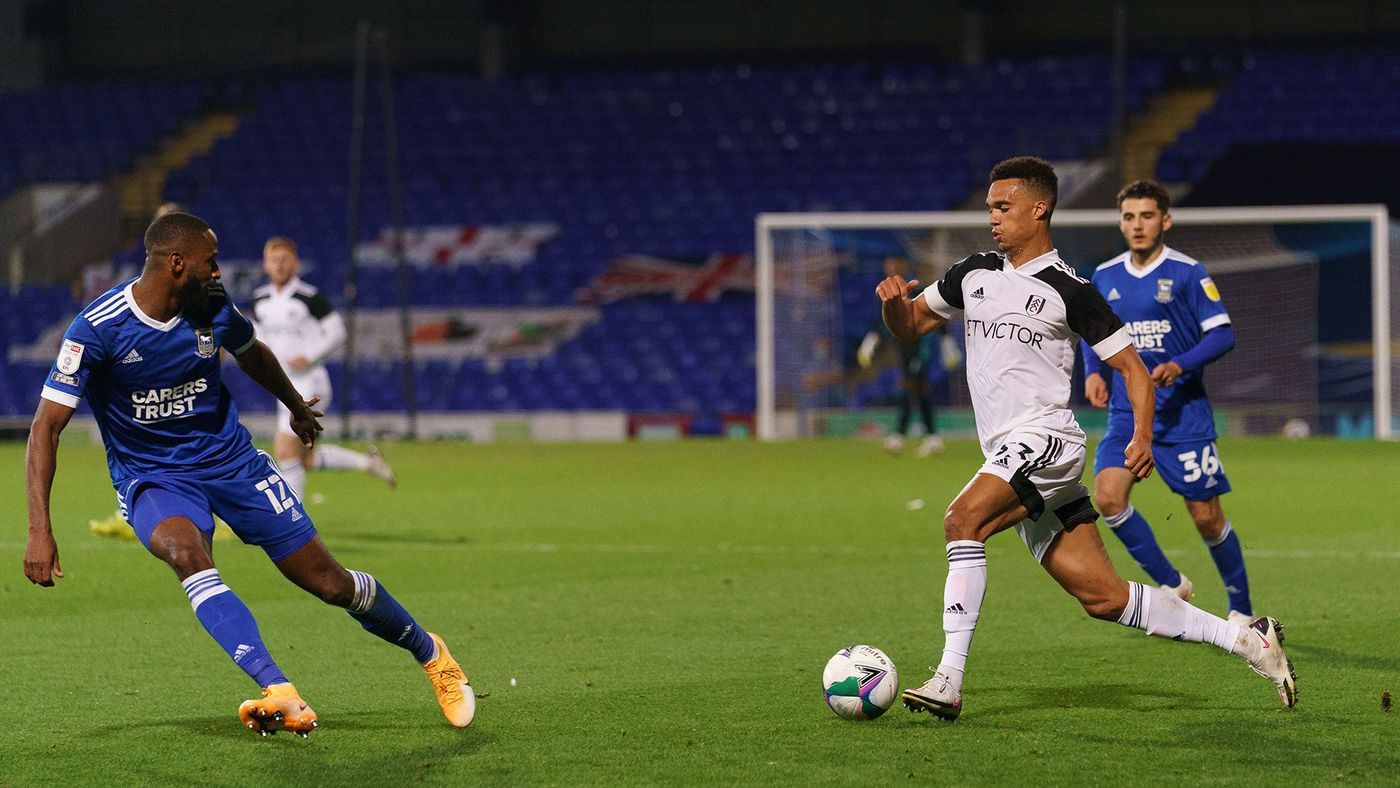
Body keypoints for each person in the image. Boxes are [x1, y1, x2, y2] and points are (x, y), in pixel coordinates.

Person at [876, 157, 1295, 721]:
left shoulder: (1072, 289)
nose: (993, 219)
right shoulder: (970, 273)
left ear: (1038, 208)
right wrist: (892, 307)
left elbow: (1134, 370)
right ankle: (1250, 642)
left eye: (1003, 207)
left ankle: (949, 678)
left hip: (1045, 441)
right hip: (1007, 453)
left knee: (961, 521)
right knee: (1103, 597)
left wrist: (1141, 435)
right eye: (990, 208)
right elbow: (911, 325)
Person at [24, 212, 474, 736]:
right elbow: (45, 429)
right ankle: (277, 687)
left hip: (232, 463)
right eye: (210, 262)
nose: (218, 273)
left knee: (328, 583)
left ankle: (430, 651)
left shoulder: (210, 307)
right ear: (176, 264)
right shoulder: (96, 330)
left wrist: (296, 407)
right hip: (154, 476)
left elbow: (252, 352)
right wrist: (40, 528)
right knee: (185, 552)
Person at [1083, 180, 1253, 624]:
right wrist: (1094, 373)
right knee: (1108, 496)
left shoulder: (1188, 272)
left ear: (1165, 220)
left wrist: (1180, 365)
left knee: (1206, 519)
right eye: (1129, 217)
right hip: (1127, 413)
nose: (1137, 225)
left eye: (1146, 216)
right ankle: (1171, 581)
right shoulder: (1105, 276)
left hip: (1183, 418)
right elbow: (1093, 331)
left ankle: (1242, 610)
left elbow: (1223, 334)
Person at [251, 236, 395, 501]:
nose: (279, 265)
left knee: (284, 450)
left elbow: (338, 331)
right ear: (266, 264)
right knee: (307, 458)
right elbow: (258, 335)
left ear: (295, 264)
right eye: (274, 260)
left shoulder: (309, 297)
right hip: (282, 383)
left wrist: (310, 356)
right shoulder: (259, 299)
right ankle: (368, 463)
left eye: (284, 260)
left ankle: (291, 517)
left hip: (309, 383)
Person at [859, 256, 959, 457]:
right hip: (904, 347)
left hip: (921, 347)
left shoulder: (915, 287)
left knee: (910, 387)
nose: (890, 268)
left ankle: (900, 435)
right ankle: (931, 438)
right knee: (918, 390)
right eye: (888, 265)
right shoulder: (889, 289)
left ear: (902, 266)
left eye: (894, 265)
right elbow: (885, 321)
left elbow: (935, 314)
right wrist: (871, 341)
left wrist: (947, 344)